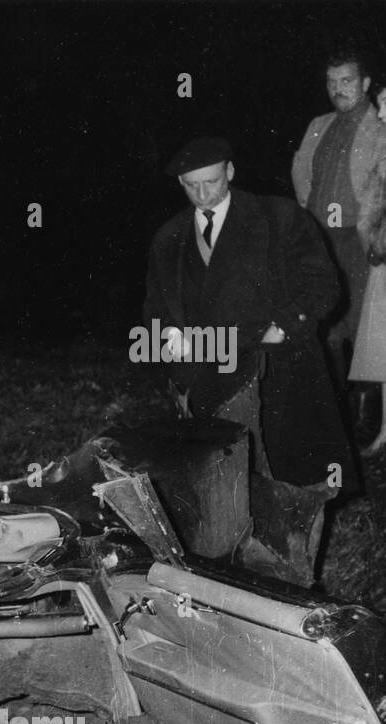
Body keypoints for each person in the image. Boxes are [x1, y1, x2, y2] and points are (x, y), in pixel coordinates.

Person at [144, 137, 353, 583]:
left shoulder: (279, 218)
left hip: (278, 372)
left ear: (231, 172)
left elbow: (323, 284)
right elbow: (157, 308)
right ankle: (232, 578)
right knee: (219, 494)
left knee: (290, 485)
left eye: (212, 182)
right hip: (208, 383)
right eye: (192, 186)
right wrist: (169, 335)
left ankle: (292, 581)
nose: (204, 194)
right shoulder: (169, 238)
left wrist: (285, 324)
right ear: (181, 183)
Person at [292, 48, 386, 382]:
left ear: (365, 83)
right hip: (320, 239)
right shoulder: (319, 124)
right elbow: (301, 170)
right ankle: (333, 402)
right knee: (324, 324)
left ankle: (367, 410)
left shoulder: (381, 127)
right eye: (331, 82)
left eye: (346, 80)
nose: (338, 89)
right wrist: (309, 213)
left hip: (360, 241)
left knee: (365, 326)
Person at [350, 87, 386, 452]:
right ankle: (385, 430)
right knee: (382, 348)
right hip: (383, 260)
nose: (381, 111)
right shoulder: (382, 150)